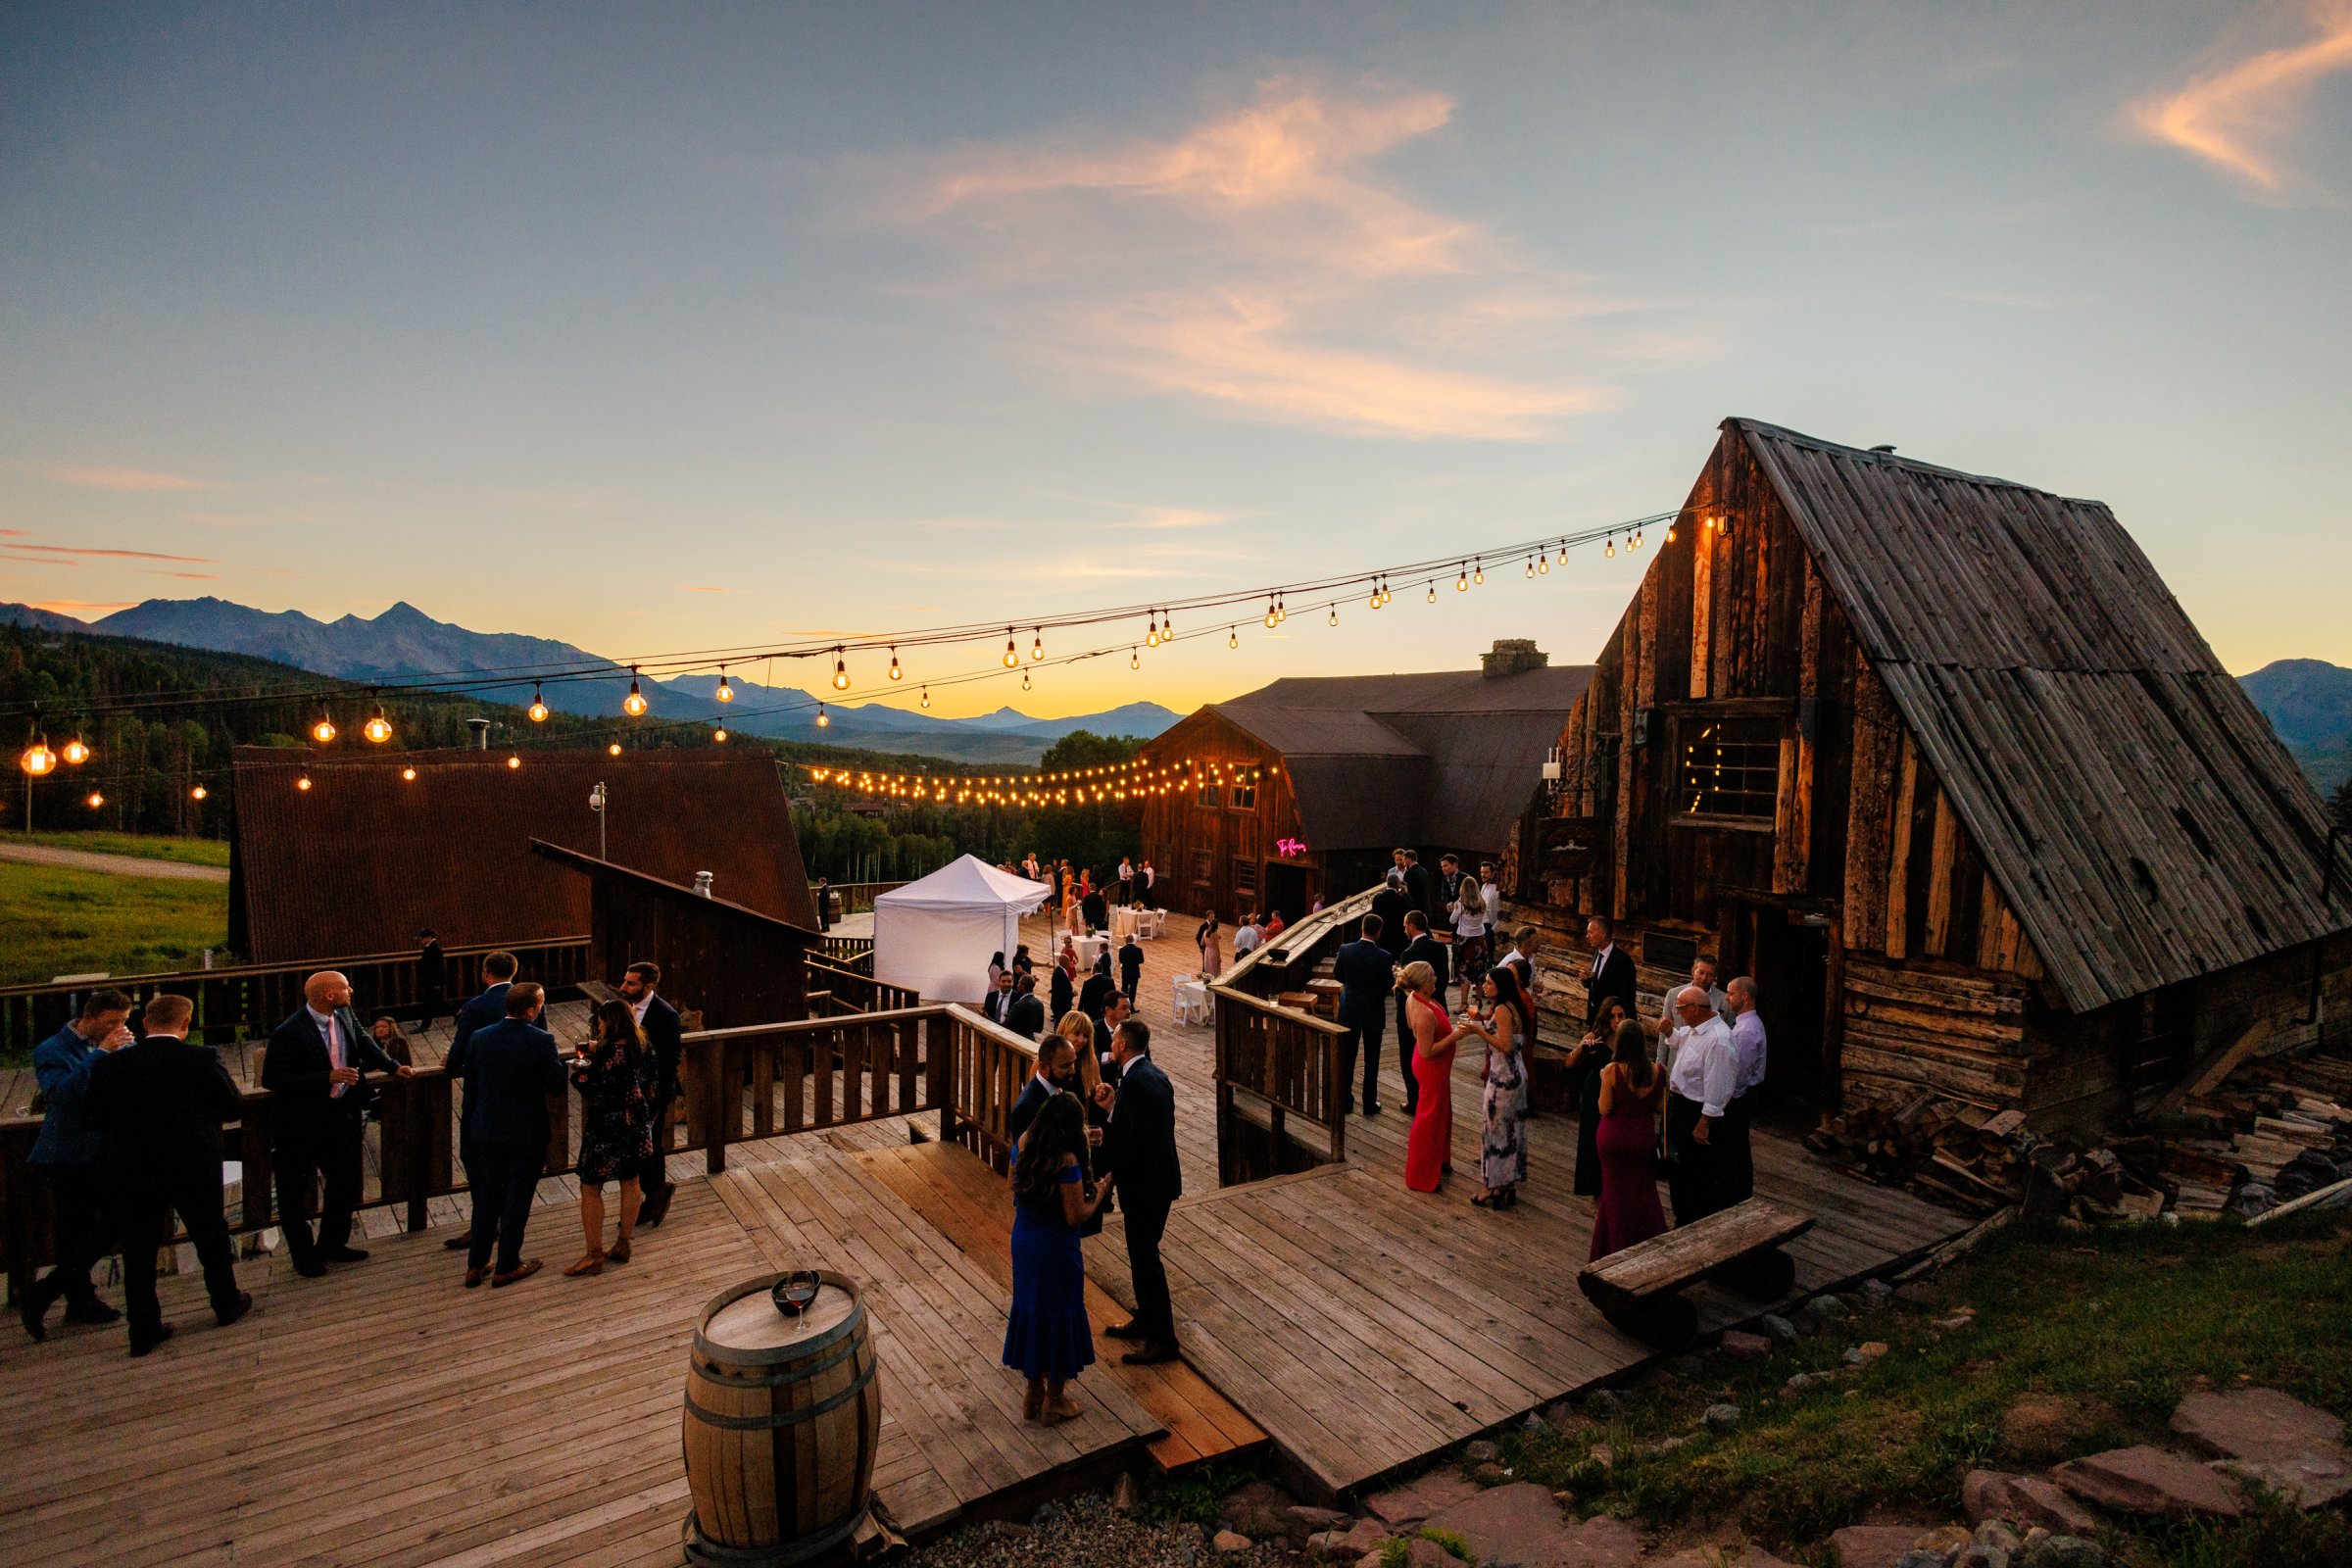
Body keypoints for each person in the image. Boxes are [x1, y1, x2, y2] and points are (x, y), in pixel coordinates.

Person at [85, 994, 251, 1355]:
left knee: (139, 1248)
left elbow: (94, 1117)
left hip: (134, 1168)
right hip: (192, 1163)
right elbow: (231, 1106)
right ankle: (225, 1303)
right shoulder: (200, 1059)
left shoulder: (111, 1066)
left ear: (145, 1024)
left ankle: (143, 1329)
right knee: (209, 1234)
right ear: (187, 1025)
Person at [264, 970, 415, 1278]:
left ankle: (333, 1243)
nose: (351, 991)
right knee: (295, 1190)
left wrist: (394, 1066)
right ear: (329, 995)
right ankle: (304, 1256)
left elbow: (364, 1043)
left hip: (340, 1113)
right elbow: (273, 1079)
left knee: (344, 1181)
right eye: (346, 987)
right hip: (301, 1120)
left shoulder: (345, 1014)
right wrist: (326, 1077)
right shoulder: (289, 1032)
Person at [20, 989, 133, 1341]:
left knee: (113, 1221)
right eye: (113, 1021)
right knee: (75, 1229)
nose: (118, 1027)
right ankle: (78, 1298)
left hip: (105, 1149)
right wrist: (100, 1055)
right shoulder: (52, 1050)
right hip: (68, 1154)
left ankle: (48, 1292)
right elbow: (61, 1095)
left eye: (123, 1022)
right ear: (92, 1017)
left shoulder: (115, 1043)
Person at [1003, 1090, 1115, 1423]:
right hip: (1055, 1249)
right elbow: (1075, 1216)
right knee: (1060, 1314)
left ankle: (1033, 1391)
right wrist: (1101, 1191)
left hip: (1024, 1239)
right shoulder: (1066, 1161)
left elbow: (1012, 1184)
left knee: (1032, 1311)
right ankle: (1055, 1400)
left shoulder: (1025, 1142)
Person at [447, 981, 565, 1287]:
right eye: (539, 1006)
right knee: (517, 1199)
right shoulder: (541, 1040)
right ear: (530, 1010)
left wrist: (473, 1125)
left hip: (486, 1129)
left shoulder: (479, 1037)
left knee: (487, 1198)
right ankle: (507, 1264)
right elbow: (555, 1085)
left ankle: (476, 1264)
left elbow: (471, 1085)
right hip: (526, 1132)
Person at [1094, 1018, 1180, 1364]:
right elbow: (1144, 1125)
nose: (1112, 1042)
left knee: (1146, 1260)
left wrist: (1112, 1174)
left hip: (1146, 1186)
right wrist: (1114, 1108)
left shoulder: (1136, 1083)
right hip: (1161, 1180)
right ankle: (1146, 1319)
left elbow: (1138, 1141)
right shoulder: (1154, 1075)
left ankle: (1164, 1340)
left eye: (1115, 1038)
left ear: (1123, 1046)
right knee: (1142, 1256)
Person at [440, 951, 523, 1249]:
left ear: (486, 973)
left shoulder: (475, 1007)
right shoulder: (530, 1000)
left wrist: (450, 1062)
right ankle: (506, 1221)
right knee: (511, 1164)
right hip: (520, 1098)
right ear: (513, 972)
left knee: (476, 1161)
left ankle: (484, 1226)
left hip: (483, 1099)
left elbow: (457, 1058)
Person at [565, 1000, 654, 1277]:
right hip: (636, 1122)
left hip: (607, 1127)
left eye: (601, 1022)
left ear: (610, 1022)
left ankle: (593, 1254)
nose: (599, 1026)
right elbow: (650, 1081)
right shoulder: (642, 1045)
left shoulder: (610, 1055)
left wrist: (579, 1071)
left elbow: (593, 1088)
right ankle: (623, 1243)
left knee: (591, 1186)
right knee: (631, 1181)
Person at [1448, 966, 1532, 1209]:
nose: (1484, 986)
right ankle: (1503, 1184)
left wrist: (1477, 1030)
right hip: (1515, 1074)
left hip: (1503, 1077)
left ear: (1500, 986)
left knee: (1495, 1131)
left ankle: (1490, 1187)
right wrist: (1483, 1020)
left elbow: (1505, 1045)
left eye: (1488, 983)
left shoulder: (1504, 1010)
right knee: (1510, 1131)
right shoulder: (1510, 1006)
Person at [1589, 1018, 1670, 1260]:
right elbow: (1659, 1106)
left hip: (1614, 1140)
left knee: (1614, 1194)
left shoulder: (1612, 1071)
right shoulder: (1658, 1072)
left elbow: (1605, 1108)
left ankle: (1613, 1247)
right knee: (1643, 1191)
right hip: (1642, 1138)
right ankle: (1648, 1244)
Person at [1664, 985, 1740, 1226]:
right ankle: (1682, 1216)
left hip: (1696, 1112)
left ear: (1696, 1008)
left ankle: (1696, 1220)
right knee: (1677, 1165)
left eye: (1681, 1008)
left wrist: (1704, 1122)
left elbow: (1717, 1086)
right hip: (1679, 1105)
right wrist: (1669, 1032)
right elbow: (1681, 1041)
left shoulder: (1719, 1040)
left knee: (1696, 1171)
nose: (1678, 1013)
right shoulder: (1695, 1029)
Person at [616, 961, 684, 1228]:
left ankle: (654, 1195)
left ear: (649, 986)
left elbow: (672, 1059)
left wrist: (655, 1095)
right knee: (639, 1146)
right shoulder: (624, 1008)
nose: (623, 987)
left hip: (651, 1093)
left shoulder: (665, 1015)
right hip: (627, 1091)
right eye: (624, 981)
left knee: (650, 1145)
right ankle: (654, 1193)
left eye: (630, 983)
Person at [1567, 997, 1633, 1198]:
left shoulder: (1629, 1039)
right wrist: (1583, 1048)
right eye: (1612, 1016)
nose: (1616, 1020)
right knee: (1594, 1140)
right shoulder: (1596, 1037)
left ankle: (1615, 1190)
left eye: (1620, 1015)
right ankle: (1596, 1193)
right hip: (1595, 1092)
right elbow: (1569, 1063)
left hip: (1621, 1094)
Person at [1399, 961, 1454, 1194]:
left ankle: (1440, 1160)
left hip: (1438, 1069)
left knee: (1443, 1113)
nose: (1436, 978)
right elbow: (1427, 1051)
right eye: (1432, 976)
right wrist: (1457, 1035)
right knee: (1428, 1120)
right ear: (1423, 983)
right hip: (1431, 1069)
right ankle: (1420, 1176)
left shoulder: (1417, 997)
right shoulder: (1423, 1011)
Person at [1333, 913, 1393, 1116]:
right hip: (1373, 1012)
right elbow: (1387, 985)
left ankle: (1345, 1102)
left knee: (1347, 1057)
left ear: (1363, 928)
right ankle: (1369, 1103)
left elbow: (1338, 976)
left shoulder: (1345, 950)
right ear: (1378, 932)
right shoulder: (1384, 957)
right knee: (1372, 1059)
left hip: (1349, 1009)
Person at [1394, 910, 1449, 1116]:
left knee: (1409, 1055)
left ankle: (1414, 1100)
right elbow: (1444, 978)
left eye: (1404, 926)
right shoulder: (1440, 948)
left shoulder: (1408, 954)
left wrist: (1399, 977)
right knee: (1435, 1056)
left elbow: (1406, 989)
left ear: (1410, 926)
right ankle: (1433, 1098)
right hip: (1438, 1005)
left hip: (1416, 1010)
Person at [1722, 977, 1768, 1204]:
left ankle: (1737, 1196)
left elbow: (1740, 1072)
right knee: (1738, 1146)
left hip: (1740, 1097)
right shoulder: (1742, 1024)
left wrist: (1728, 1099)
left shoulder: (1747, 1031)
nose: (1726, 997)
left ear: (1745, 996)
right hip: (1741, 1095)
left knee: (1734, 1147)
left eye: (1730, 993)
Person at [1655, 956, 1732, 1073]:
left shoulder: (1724, 1001)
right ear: (1693, 971)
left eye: (1709, 974)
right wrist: (1660, 1065)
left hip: (1704, 1069)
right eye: (1701, 972)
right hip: (1675, 1063)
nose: (1704, 978)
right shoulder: (1674, 994)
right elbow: (1664, 1032)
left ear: (1715, 977)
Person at [1007, 1030, 1076, 1150]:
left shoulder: (1057, 1084)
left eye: (1073, 1063)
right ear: (1043, 1067)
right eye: (1065, 1066)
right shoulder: (1027, 1107)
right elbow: (1024, 1156)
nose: (1072, 1071)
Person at [1584, 915, 1637, 1028]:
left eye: (1590, 932)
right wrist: (1586, 981)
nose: (1587, 936)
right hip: (1595, 1021)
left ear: (1602, 934)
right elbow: (1600, 986)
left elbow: (1627, 998)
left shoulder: (1623, 961)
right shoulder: (1596, 954)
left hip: (1613, 1024)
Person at [1451, 881, 1490, 1013]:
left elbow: (1452, 920)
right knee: (1479, 971)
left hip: (1465, 940)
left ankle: (1463, 1003)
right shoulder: (1482, 902)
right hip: (1479, 939)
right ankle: (1477, 1000)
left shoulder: (1461, 904)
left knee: (1464, 973)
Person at [1370, 873, 1413, 961]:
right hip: (1398, 938)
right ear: (1398, 884)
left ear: (1387, 883)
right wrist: (1406, 893)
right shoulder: (1402, 900)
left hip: (1382, 937)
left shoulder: (1377, 898)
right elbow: (1411, 910)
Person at [415, 928, 448, 1031]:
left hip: (432, 981)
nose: (421, 940)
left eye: (423, 938)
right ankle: (457, 1013)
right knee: (437, 1001)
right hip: (430, 980)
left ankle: (425, 1026)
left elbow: (437, 967)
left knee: (428, 1003)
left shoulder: (434, 949)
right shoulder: (431, 948)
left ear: (429, 937)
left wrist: (437, 982)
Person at [1079, 955, 1117, 1038]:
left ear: (1093, 970)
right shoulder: (1110, 981)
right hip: (1105, 1010)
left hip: (1091, 1011)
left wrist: (1079, 1012)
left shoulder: (1087, 983)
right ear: (1102, 970)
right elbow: (1114, 995)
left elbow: (1083, 999)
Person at [1006, 970, 1047, 1041]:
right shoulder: (1039, 1004)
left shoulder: (1019, 1005)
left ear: (1023, 986)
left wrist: (987, 1017)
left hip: (1017, 1041)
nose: (1017, 985)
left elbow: (1007, 1025)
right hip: (1030, 1040)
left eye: (1019, 983)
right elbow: (1039, 1029)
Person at [1117, 931, 1145, 1004]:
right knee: (1133, 989)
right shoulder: (1138, 950)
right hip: (1134, 972)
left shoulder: (1122, 950)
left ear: (1126, 941)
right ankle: (1131, 1004)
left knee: (1124, 987)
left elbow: (1121, 960)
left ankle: (1123, 1003)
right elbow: (1141, 961)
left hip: (1125, 971)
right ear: (1133, 940)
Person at [1051, 948, 1076, 1022]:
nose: (1069, 963)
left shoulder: (1060, 971)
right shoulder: (1060, 973)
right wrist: (1072, 994)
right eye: (1068, 961)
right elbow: (1061, 991)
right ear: (1062, 962)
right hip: (1061, 1005)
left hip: (1061, 1004)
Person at [1196, 909, 1223, 978]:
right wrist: (1202, 948)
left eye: (1213, 917)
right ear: (1207, 917)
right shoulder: (1203, 926)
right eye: (1211, 917)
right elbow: (1198, 938)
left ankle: (1205, 979)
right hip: (1210, 950)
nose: (1213, 918)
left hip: (1208, 949)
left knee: (1207, 967)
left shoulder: (1206, 931)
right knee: (1212, 969)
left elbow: (1203, 940)